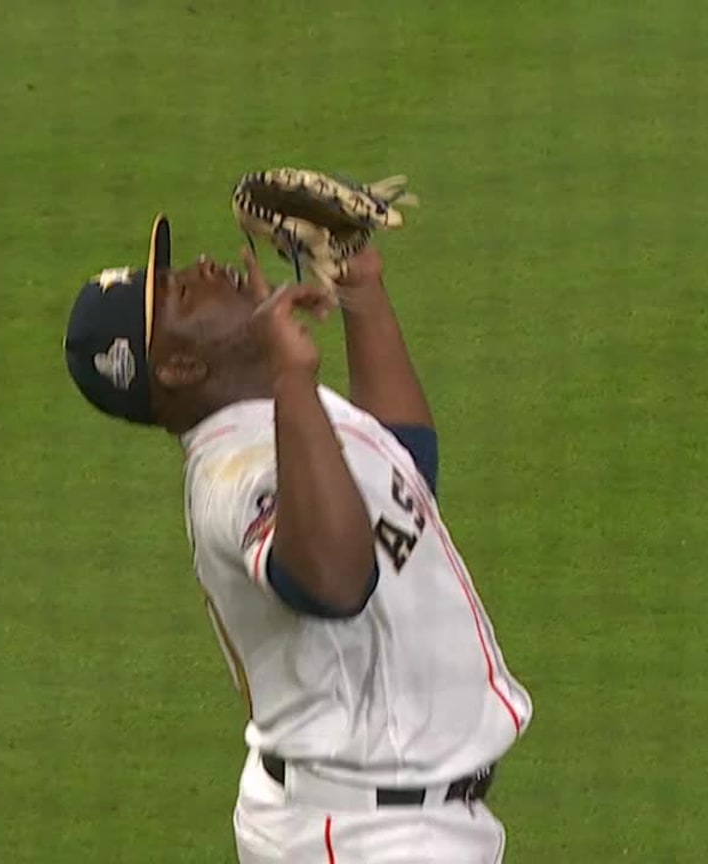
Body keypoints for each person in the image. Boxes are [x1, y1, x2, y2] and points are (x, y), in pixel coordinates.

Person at [63, 214, 533, 862]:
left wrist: (361, 293)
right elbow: (337, 582)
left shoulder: (274, 413)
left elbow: (406, 472)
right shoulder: (235, 474)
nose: (203, 266)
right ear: (178, 367)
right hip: (363, 833)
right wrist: (292, 380)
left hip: (386, 817)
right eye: (179, 294)